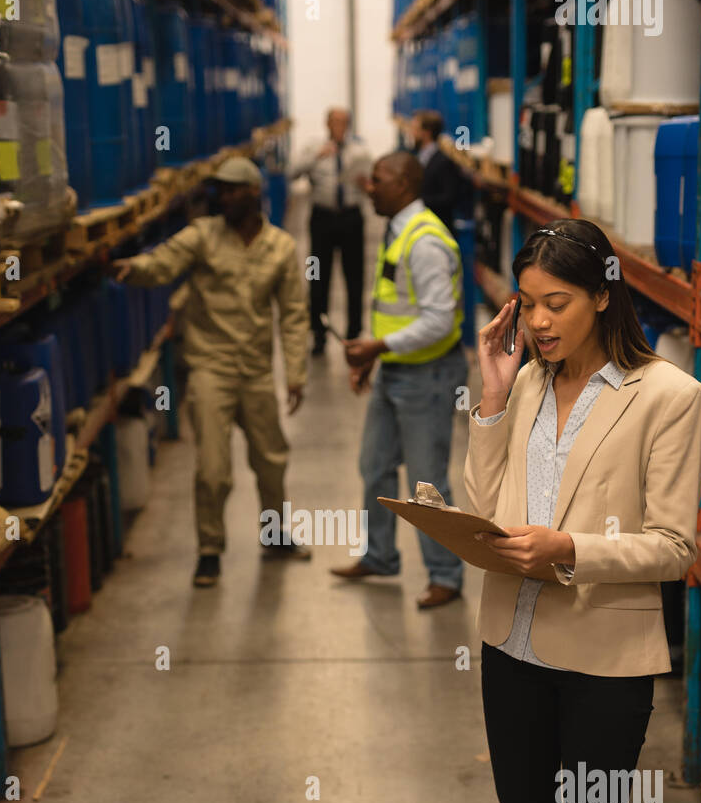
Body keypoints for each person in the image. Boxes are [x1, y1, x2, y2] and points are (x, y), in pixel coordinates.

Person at [466, 219, 701, 803]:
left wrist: (571, 547)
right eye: (527, 304)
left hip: (604, 666)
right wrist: (491, 400)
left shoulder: (669, 396)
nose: (537, 322)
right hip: (512, 650)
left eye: (556, 304)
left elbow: (675, 546)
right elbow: (489, 511)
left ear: (606, 296)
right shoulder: (524, 382)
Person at [111, 157, 310, 588]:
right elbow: (163, 262)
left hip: (255, 370)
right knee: (213, 469)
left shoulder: (280, 247)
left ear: (253, 192)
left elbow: (293, 314)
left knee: (271, 461)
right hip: (210, 368)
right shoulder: (203, 235)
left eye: (233, 190)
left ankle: (275, 536)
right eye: (220, 189)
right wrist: (133, 268)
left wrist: (295, 372)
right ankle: (209, 550)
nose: (224, 197)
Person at [330, 151, 467, 609]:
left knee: (427, 483)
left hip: (427, 374)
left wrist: (376, 348)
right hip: (397, 370)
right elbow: (396, 308)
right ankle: (380, 556)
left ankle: (446, 575)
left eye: (379, 180)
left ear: (405, 184)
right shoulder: (399, 229)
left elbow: (440, 322)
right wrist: (376, 353)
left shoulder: (425, 241)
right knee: (375, 467)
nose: (370, 187)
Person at [289, 108, 371, 355]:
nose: (339, 126)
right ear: (327, 123)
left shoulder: (360, 150)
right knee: (317, 278)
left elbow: (372, 184)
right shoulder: (313, 147)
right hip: (322, 219)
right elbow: (291, 173)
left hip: (351, 219)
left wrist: (366, 184)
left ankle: (354, 334)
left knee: (354, 277)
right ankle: (319, 334)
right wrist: (317, 156)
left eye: (344, 122)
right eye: (335, 121)